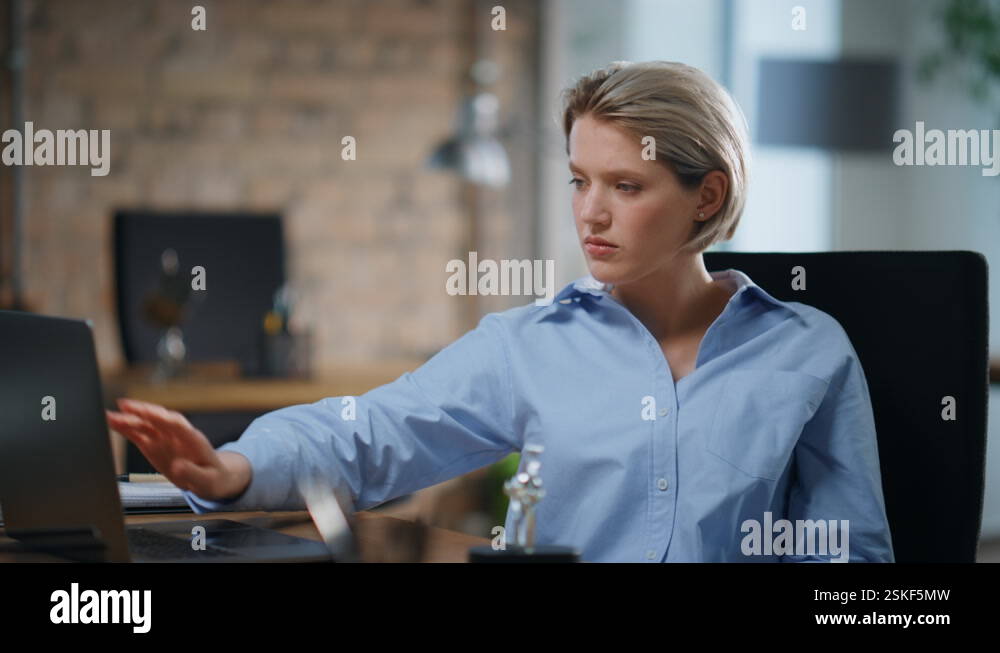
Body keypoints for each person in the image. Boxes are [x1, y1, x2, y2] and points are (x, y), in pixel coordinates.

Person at [106, 61, 894, 562]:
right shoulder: (532, 346)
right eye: (580, 180)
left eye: (625, 186)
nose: (591, 213)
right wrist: (233, 467)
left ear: (707, 197)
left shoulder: (807, 353)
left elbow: (851, 563)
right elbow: (372, 431)